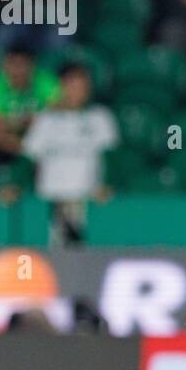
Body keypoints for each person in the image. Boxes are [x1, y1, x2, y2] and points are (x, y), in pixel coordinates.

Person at [21, 62, 118, 247]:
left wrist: (107, 184)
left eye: (82, 87)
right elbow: (28, 159)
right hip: (50, 203)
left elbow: (111, 157)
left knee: (83, 261)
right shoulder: (45, 120)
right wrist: (17, 185)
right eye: (72, 86)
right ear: (62, 88)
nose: (77, 92)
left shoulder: (101, 118)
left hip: (86, 203)